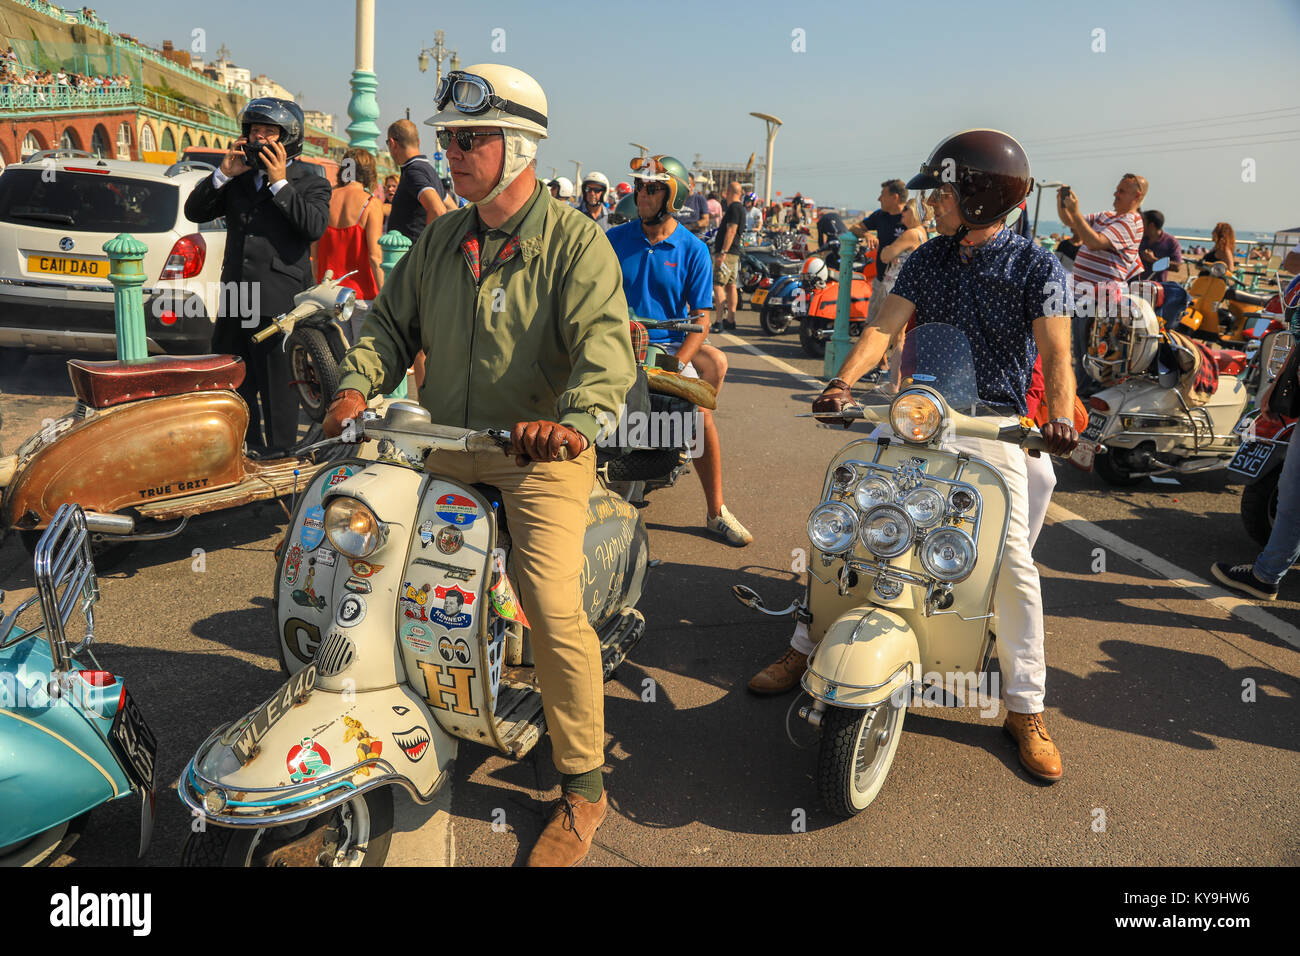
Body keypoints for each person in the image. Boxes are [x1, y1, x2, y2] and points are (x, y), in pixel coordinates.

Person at [323, 64, 635, 867]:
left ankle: (584, 787)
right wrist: (356, 386)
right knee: (371, 561)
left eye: (470, 139)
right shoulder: (438, 240)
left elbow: (605, 353)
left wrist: (570, 425)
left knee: (552, 606)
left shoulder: (576, 244)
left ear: (519, 146)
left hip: (537, 456)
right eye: (448, 140)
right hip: (442, 446)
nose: (453, 153)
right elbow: (390, 326)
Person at [749, 129, 1079, 786]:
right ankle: (806, 645)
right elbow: (880, 329)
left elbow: (1058, 354)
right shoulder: (927, 259)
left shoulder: (1039, 268)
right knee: (841, 523)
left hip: (992, 427)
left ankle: (1025, 706)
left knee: (1011, 564)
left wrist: (1064, 413)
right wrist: (840, 381)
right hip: (919, 416)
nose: (937, 203)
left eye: (947, 191)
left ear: (981, 196)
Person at [609, 154, 753, 546]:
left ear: (673, 196)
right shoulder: (614, 239)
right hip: (616, 343)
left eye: (652, 188)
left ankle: (715, 510)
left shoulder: (692, 249)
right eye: (640, 186)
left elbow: (701, 317)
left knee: (700, 418)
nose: (642, 194)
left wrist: (678, 365)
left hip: (668, 346)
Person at [183, 97, 329, 450]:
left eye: (269, 132)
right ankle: (242, 454)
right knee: (234, 385)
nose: (259, 138)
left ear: (288, 137)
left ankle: (281, 460)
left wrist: (280, 183)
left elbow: (313, 227)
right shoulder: (238, 179)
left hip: (278, 302)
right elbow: (194, 211)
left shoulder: (310, 183)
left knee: (279, 391)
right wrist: (222, 174)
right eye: (254, 131)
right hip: (236, 298)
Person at [1055, 173, 1147, 388]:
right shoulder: (1107, 216)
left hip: (1101, 300)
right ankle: (1082, 395)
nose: (1115, 193)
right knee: (1081, 353)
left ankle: (1086, 398)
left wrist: (1075, 211)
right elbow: (1071, 222)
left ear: (1137, 196)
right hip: (1084, 297)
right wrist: (1063, 204)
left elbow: (1095, 242)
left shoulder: (1131, 221)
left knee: (1091, 355)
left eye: (1122, 191)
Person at [313, 147, 383, 344]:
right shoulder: (370, 203)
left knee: (335, 360)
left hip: (330, 294)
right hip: (362, 294)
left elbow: (315, 253)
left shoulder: (326, 200)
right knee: (361, 358)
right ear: (369, 173)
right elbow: (375, 256)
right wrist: (385, 294)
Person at [385, 118, 449, 242]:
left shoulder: (412, 171)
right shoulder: (430, 170)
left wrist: (424, 249)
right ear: (418, 142)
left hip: (412, 255)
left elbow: (438, 209)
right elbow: (451, 207)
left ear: (393, 143)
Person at [859, 180, 910, 326]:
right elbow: (856, 227)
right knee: (872, 324)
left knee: (896, 330)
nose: (879, 199)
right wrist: (866, 234)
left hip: (902, 287)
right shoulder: (880, 215)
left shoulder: (910, 217)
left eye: (883, 194)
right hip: (881, 281)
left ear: (894, 197)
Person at [711, 180, 747, 333]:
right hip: (734, 253)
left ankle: (719, 321)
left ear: (731, 192)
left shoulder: (733, 208)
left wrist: (723, 252)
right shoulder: (741, 209)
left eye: (727, 192)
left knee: (718, 284)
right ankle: (730, 319)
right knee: (731, 285)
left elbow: (731, 230)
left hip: (728, 253)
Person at [1138, 209, 1182, 282]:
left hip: (1156, 288)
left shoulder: (1171, 242)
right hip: (1133, 285)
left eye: (1143, 223)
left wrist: (1154, 260)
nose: (1140, 226)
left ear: (1151, 225)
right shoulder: (1139, 239)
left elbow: (1177, 266)